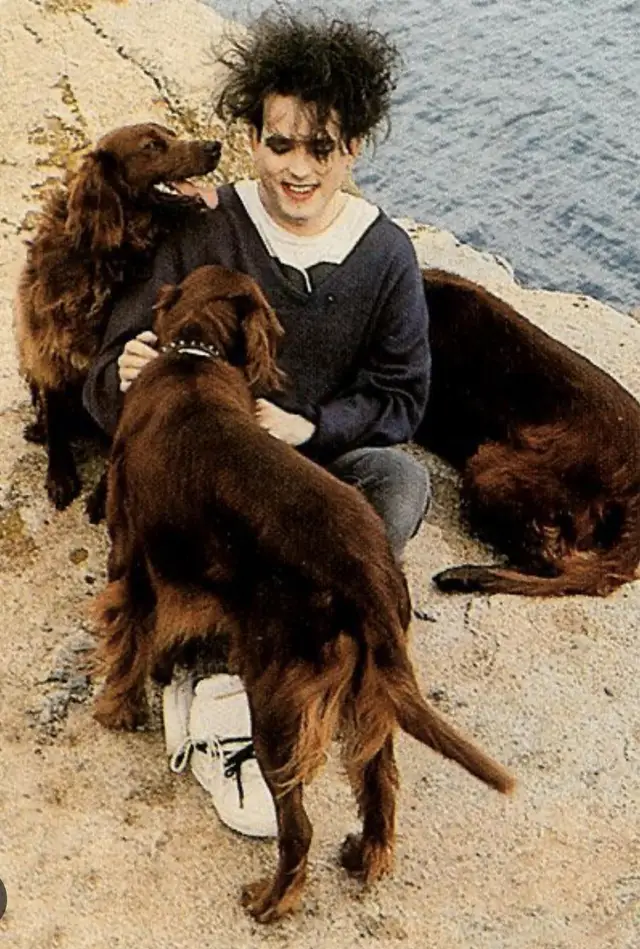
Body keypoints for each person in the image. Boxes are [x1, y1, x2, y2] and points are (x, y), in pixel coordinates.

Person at [84, 7, 431, 838]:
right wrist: (126, 371)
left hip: (307, 473)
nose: (298, 169)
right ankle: (209, 678)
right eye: (280, 144)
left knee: (401, 480)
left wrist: (307, 427)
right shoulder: (207, 226)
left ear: (355, 148)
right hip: (208, 492)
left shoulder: (386, 256)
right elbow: (106, 373)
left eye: (323, 147)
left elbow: (402, 395)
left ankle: (285, 653)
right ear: (251, 139)